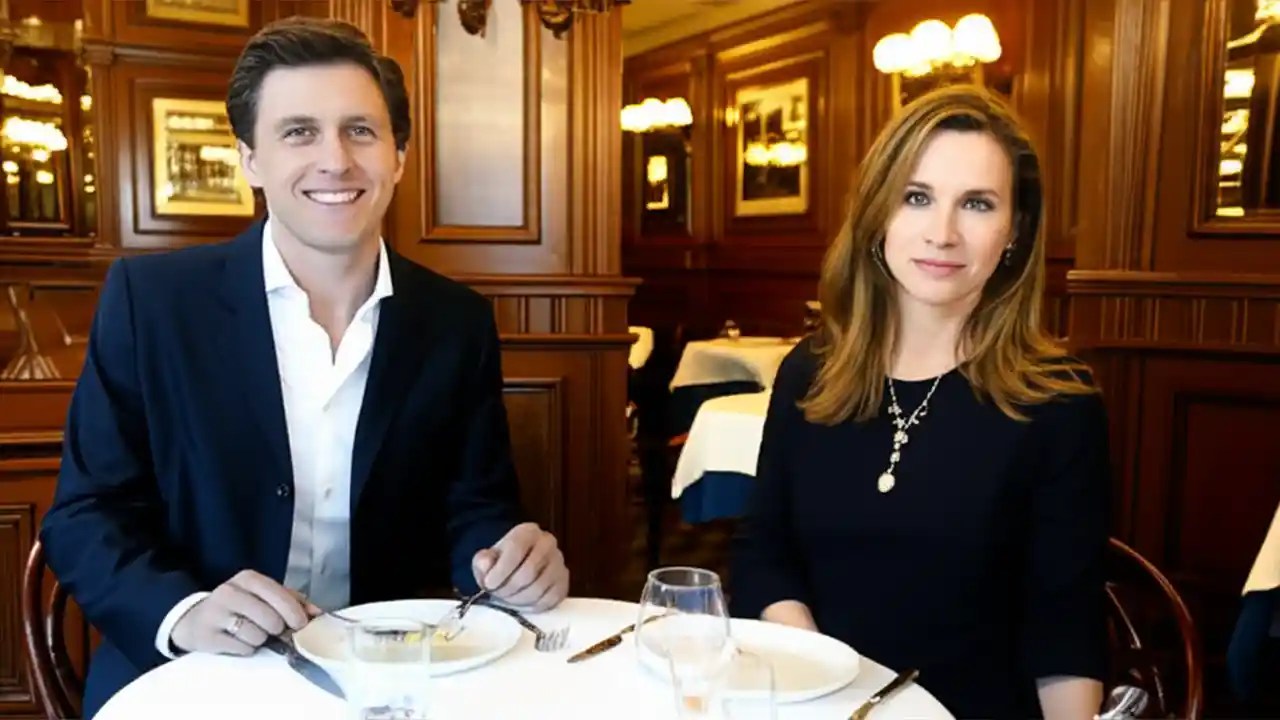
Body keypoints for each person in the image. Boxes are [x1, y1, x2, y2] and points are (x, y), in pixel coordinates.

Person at [38, 17, 568, 718]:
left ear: (398, 155)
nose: (335, 160)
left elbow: (476, 505)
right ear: (250, 159)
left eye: (360, 130)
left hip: (391, 672)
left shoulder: (455, 320)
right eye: (299, 132)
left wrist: (508, 557)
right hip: (199, 668)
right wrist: (185, 610)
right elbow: (86, 513)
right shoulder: (152, 303)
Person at [729, 85, 1110, 720]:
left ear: (1014, 231)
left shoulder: (1058, 401)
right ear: (879, 214)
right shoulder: (811, 369)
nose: (943, 232)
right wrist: (819, 671)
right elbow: (763, 552)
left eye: (978, 204)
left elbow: (1064, 622)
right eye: (917, 197)